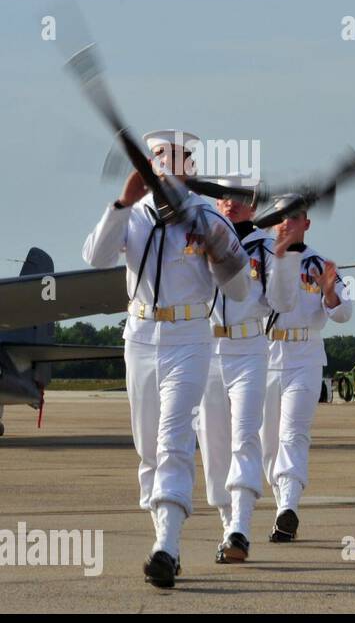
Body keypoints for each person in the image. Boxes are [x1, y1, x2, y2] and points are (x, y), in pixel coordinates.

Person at [82, 129, 250, 587]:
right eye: (156, 156)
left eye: (173, 157)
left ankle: (166, 547)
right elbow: (96, 256)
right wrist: (120, 203)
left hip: (189, 338)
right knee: (148, 450)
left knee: (174, 438)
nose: (163, 164)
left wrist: (217, 249)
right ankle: (164, 540)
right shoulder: (131, 216)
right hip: (139, 337)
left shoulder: (206, 218)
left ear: (189, 167)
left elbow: (238, 290)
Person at [196, 194, 300, 563]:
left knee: (245, 437)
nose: (231, 204)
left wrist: (288, 254)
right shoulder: (200, 237)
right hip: (205, 351)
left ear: (255, 206)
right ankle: (229, 526)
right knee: (213, 445)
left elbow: (284, 302)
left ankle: (240, 527)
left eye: (241, 198)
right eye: (224, 197)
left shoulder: (267, 248)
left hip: (250, 350)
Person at [260, 194, 354, 543]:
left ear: (306, 224)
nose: (285, 222)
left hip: (305, 357)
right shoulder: (258, 259)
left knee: (293, 434)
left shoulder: (319, 264)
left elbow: (343, 313)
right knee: (268, 445)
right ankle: (282, 505)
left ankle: (289, 508)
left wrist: (329, 292)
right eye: (280, 217)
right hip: (265, 356)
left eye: (294, 217)